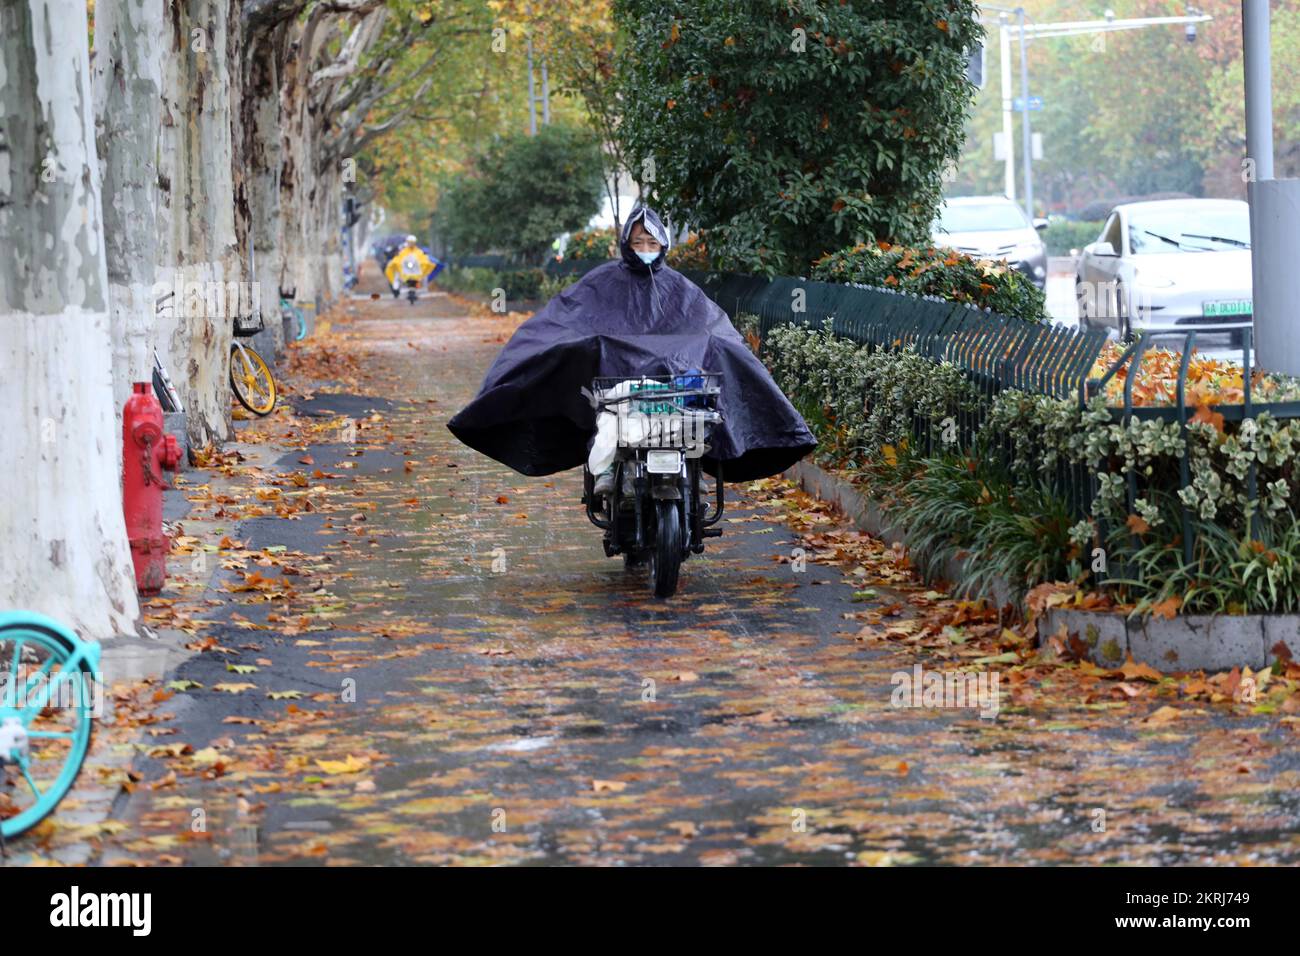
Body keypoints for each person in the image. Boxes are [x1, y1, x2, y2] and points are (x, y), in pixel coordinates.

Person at [446, 204, 815, 492]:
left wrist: (710, 346)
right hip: (618, 394)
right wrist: (583, 345)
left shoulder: (679, 288)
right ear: (626, 244)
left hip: (678, 396)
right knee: (605, 420)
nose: (645, 250)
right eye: (638, 243)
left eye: (652, 244)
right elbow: (567, 318)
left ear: (663, 246)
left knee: (712, 379)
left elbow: (709, 326)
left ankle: (694, 468)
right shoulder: (603, 282)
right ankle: (607, 471)